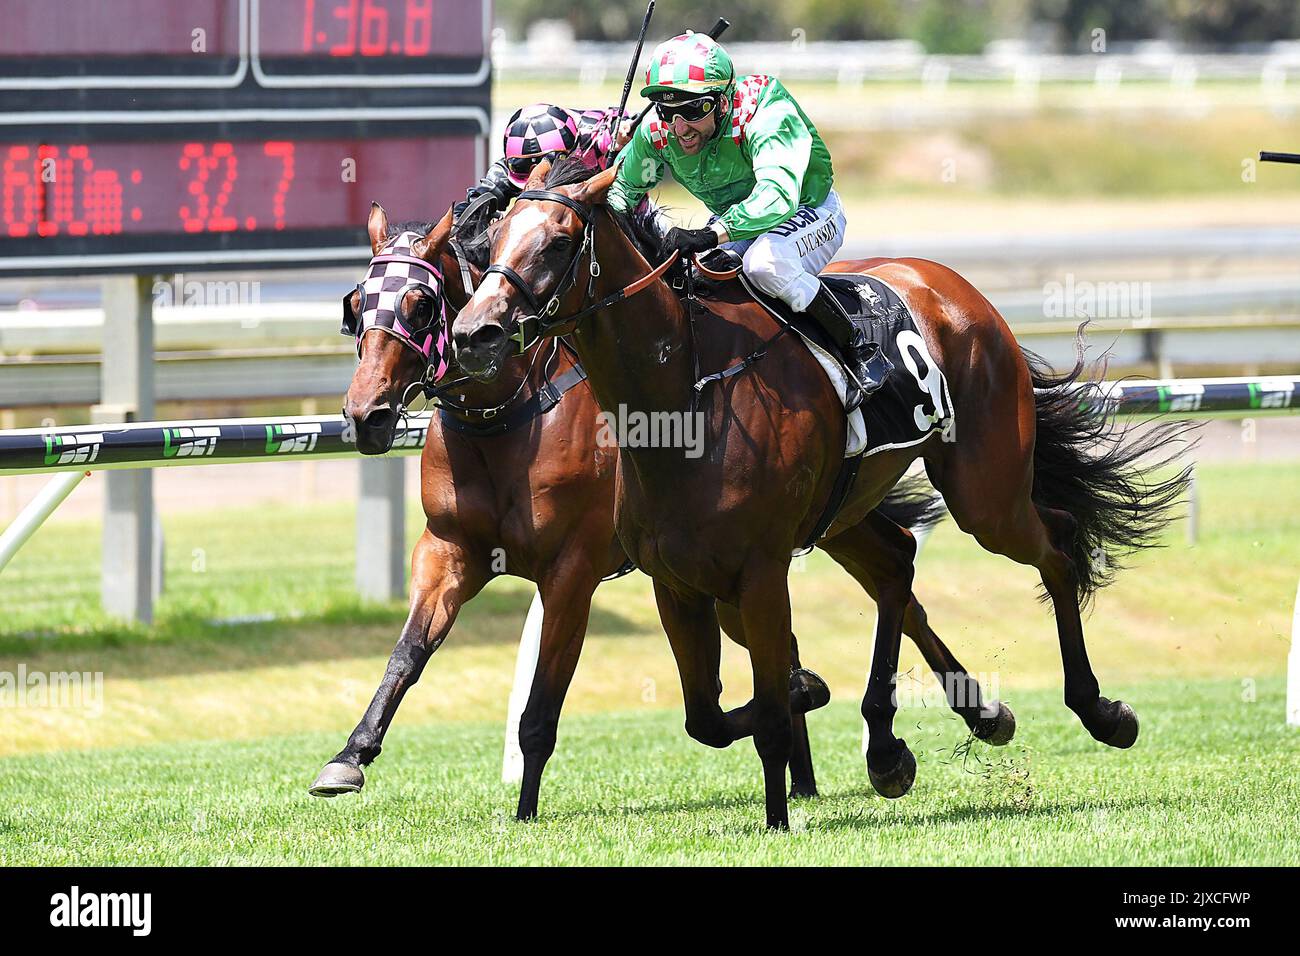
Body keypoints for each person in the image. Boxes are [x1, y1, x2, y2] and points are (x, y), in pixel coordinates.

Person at [607, 32, 890, 407]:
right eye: (666, 111)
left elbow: (776, 197)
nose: (679, 128)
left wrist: (710, 235)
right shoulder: (657, 133)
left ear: (722, 101)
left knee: (766, 264)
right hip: (735, 222)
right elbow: (623, 192)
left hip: (807, 210)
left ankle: (856, 348)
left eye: (693, 111)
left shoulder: (766, 111)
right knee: (688, 280)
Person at [455, 103, 634, 219]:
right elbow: (470, 211)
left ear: (568, 153)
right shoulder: (512, 169)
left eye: (547, 163)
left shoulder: (601, 136)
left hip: (622, 205)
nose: (536, 178)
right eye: (524, 166)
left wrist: (623, 136)